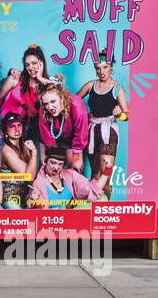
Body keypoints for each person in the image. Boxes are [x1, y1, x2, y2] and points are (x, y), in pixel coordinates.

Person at [77, 53, 128, 194]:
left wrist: (120, 114)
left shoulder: (117, 88)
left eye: (105, 67)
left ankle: (106, 211)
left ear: (111, 68)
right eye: (98, 68)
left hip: (109, 131)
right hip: (92, 131)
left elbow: (127, 116)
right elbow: (73, 103)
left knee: (105, 177)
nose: (101, 71)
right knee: (95, 177)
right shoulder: (90, 85)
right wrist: (85, 115)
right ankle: (93, 211)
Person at [0, 45, 54, 137]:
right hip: (3, 126)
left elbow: (59, 98)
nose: (30, 68)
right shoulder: (15, 78)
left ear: (41, 63)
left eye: (34, 63)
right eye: (27, 65)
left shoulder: (45, 86)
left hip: (21, 131)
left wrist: (40, 78)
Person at [26, 147, 105, 210]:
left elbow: (93, 190)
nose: (56, 167)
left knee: (102, 198)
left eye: (60, 164)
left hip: (71, 219)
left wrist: (107, 172)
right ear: (45, 161)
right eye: (53, 163)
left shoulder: (70, 175)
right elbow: (34, 213)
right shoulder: (38, 183)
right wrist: (34, 202)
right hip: (50, 222)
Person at [35, 82, 90, 173]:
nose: (50, 107)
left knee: (75, 168)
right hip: (52, 139)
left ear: (61, 97)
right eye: (46, 103)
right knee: (46, 167)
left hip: (72, 140)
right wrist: (48, 157)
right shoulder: (43, 109)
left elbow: (80, 133)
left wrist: (76, 157)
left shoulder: (76, 105)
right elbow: (45, 135)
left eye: (53, 101)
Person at [0, 111, 38, 209]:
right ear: (5, 130)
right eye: (12, 126)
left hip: (24, 196)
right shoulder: (5, 150)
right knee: (22, 220)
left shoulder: (24, 146)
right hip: (10, 199)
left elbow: (31, 174)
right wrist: (34, 152)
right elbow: (28, 177)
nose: (17, 128)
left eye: (19, 125)